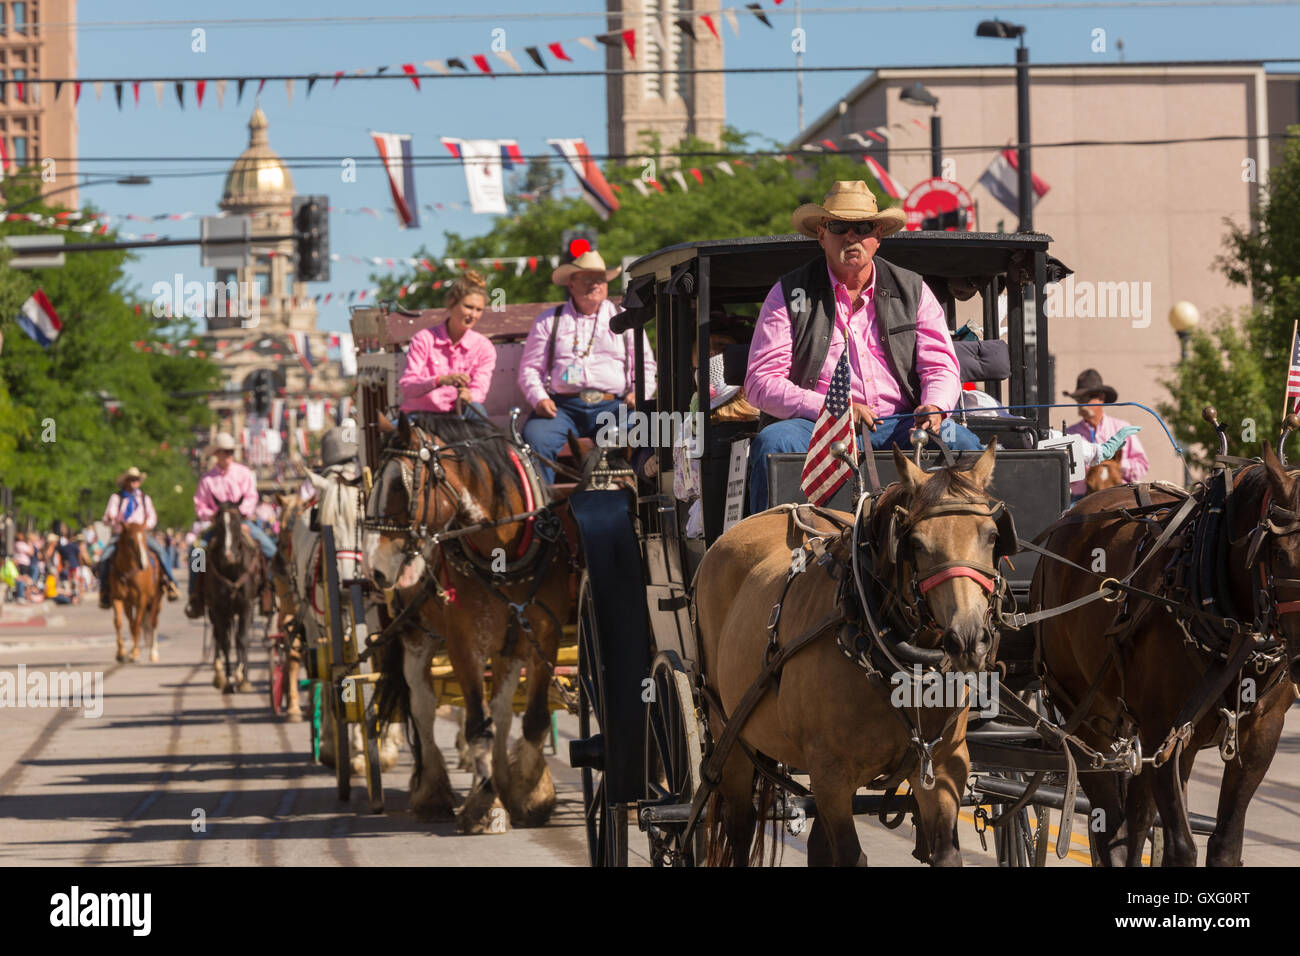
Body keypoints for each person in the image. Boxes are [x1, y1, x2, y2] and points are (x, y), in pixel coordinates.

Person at [744, 180, 984, 513]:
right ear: (822, 235)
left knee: (966, 445)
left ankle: (978, 561)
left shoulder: (913, 289)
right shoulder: (788, 293)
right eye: (840, 226)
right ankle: (766, 557)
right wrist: (833, 407)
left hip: (902, 423)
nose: (852, 236)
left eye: (863, 227)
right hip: (817, 427)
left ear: (878, 236)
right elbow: (760, 384)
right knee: (775, 442)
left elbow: (940, 367)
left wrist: (934, 407)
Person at [517, 249, 657, 483]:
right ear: (571, 284)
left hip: (613, 405)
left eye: (600, 279)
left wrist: (639, 393)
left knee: (643, 430)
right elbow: (530, 369)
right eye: (588, 278)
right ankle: (545, 511)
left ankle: (637, 508)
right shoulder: (549, 320)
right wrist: (539, 399)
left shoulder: (625, 317)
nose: (595, 284)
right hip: (561, 408)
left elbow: (647, 365)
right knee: (536, 437)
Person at [185, 432, 278, 619]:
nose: (227, 455)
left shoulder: (243, 473)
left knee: (270, 549)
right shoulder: (207, 479)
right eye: (223, 452)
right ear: (216, 454)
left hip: (240, 522)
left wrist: (241, 513)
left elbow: (251, 496)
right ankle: (196, 594)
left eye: (230, 452)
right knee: (197, 551)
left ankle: (268, 591)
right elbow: (199, 503)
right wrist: (211, 515)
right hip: (217, 523)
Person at [398, 270, 497, 423]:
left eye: (479, 310)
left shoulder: (484, 347)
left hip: (459, 415)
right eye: (469, 307)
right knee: (391, 437)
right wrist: (440, 380)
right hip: (420, 415)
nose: (474, 315)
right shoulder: (424, 339)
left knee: (479, 415)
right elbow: (408, 386)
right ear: (452, 303)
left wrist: (469, 396)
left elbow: (480, 389)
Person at [98, 466, 181, 608]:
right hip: (121, 534)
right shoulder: (116, 498)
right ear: (125, 481)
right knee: (104, 557)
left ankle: (170, 582)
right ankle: (105, 590)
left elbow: (152, 517)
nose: (133, 483)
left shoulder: (144, 498)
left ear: (139, 482)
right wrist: (111, 518)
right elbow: (107, 518)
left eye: (136, 480)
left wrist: (144, 527)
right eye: (130, 480)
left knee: (160, 551)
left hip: (140, 534)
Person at [1064, 369, 1149, 500]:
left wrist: (1117, 466)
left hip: (1121, 497)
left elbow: (1142, 465)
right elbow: (1062, 472)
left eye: (1086, 397)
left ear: (1101, 398)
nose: (1081, 402)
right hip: (1081, 500)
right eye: (1078, 398)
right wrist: (1088, 468)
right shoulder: (1070, 433)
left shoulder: (1122, 427)